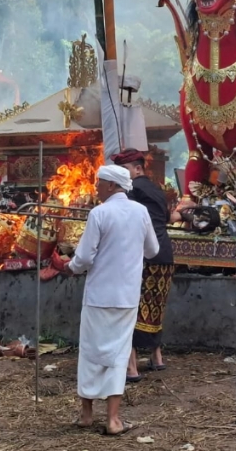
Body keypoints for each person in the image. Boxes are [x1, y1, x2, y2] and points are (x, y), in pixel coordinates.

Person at [64, 165, 159, 436]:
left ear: (110, 185)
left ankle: (86, 415)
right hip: (127, 296)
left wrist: (69, 267)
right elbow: (152, 250)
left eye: (98, 183)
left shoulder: (99, 213)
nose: (95, 188)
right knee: (118, 355)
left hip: (98, 296)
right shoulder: (140, 212)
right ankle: (114, 420)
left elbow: (84, 258)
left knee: (90, 353)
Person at [113, 149, 177, 381]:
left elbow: (124, 219)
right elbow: (168, 218)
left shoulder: (131, 190)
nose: (121, 175)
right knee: (154, 307)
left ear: (138, 169)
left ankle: (131, 368)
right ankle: (156, 357)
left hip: (143, 254)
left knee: (131, 308)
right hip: (164, 255)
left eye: (125, 169)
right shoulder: (156, 188)